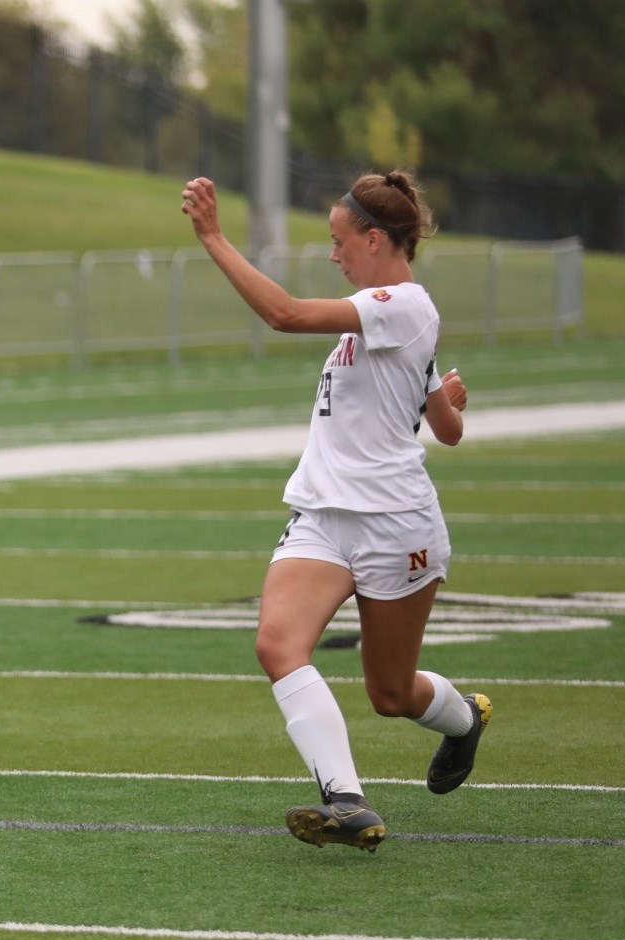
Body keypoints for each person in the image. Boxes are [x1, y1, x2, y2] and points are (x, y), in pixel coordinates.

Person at [180, 171, 492, 853]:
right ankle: (347, 800)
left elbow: (284, 315)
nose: (333, 253)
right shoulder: (383, 312)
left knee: (390, 694)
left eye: (339, 240)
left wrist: (213, 237)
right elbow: (446, 425)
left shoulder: (405, 305)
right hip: (323, 513)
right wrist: (440, 397)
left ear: (375, 239)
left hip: (394, 523)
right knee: (276, 645)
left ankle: (464, 719)